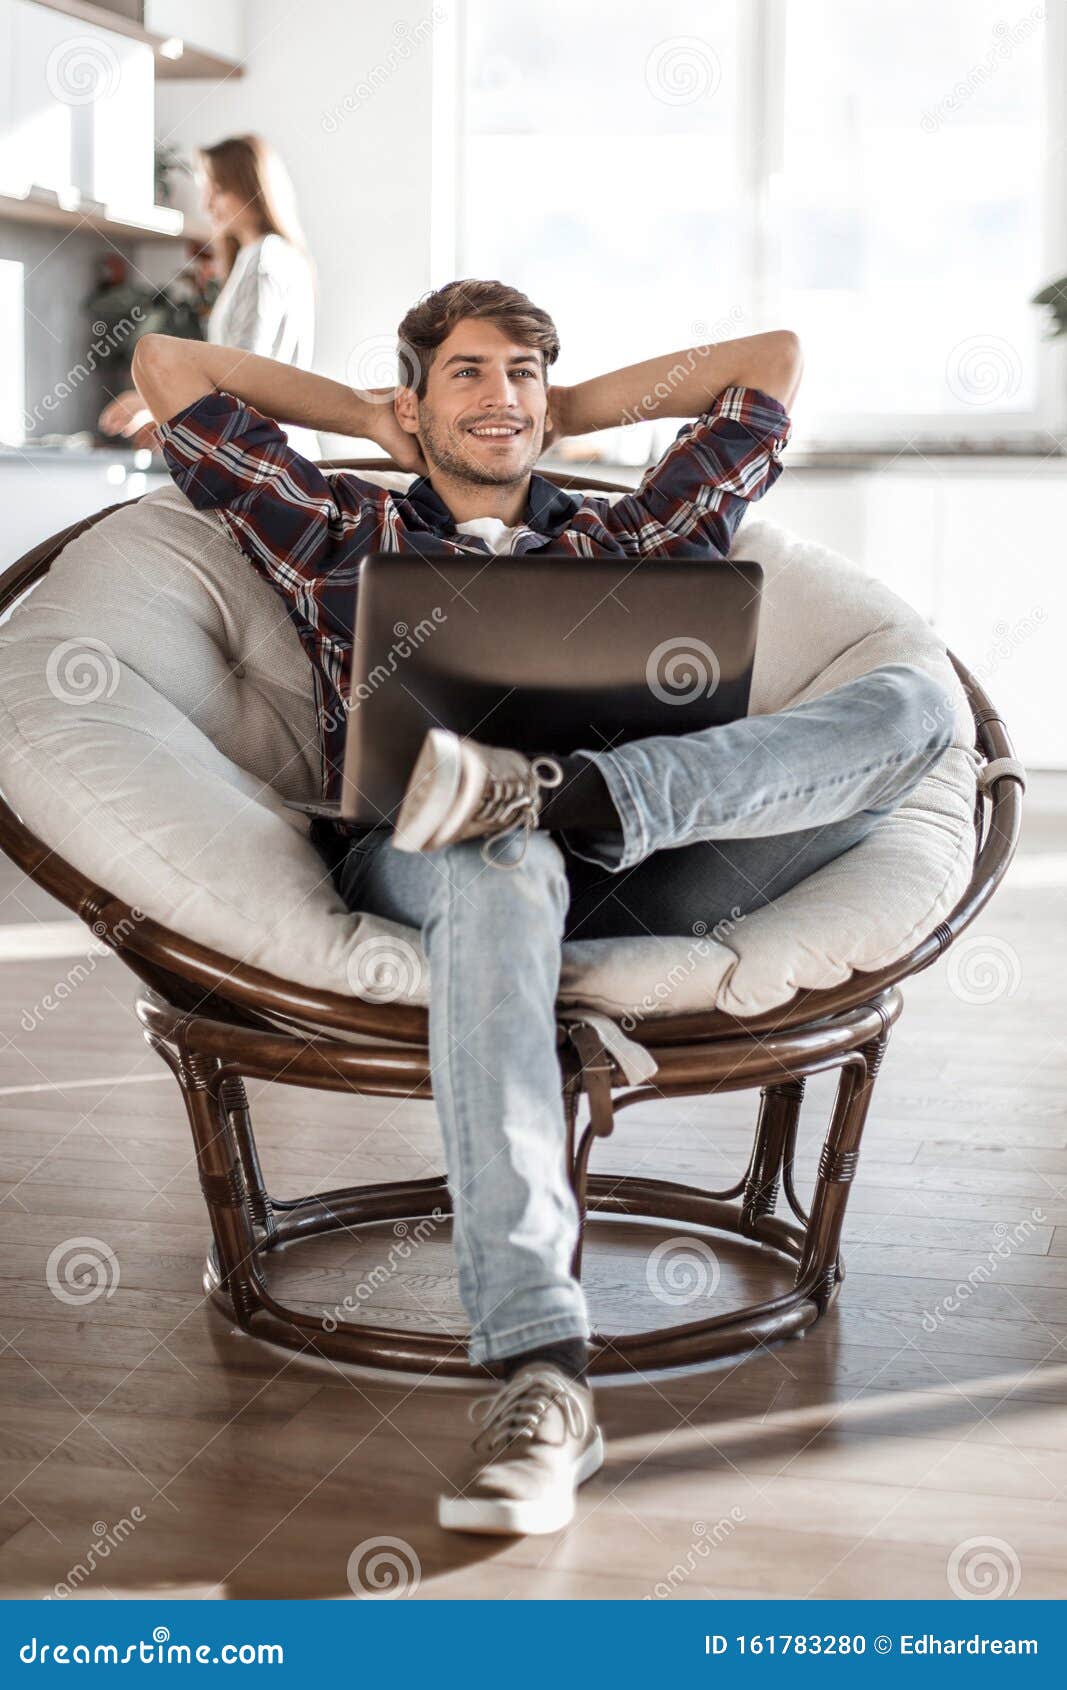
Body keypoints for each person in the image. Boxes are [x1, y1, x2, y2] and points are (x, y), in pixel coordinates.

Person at [129, 280, 953, 1540]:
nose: (500, 393)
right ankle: (540, 1374)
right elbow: (168, 361)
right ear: (415, 400)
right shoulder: (338, 530)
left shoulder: (632, 536)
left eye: (523, 372)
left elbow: (771, 362)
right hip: (432, 865)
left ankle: (570, 789)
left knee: (916, 707)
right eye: (467, 372)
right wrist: (369, 414)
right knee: (494, 851)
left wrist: (569, 408)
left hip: (637, 858)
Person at [100, 134, 317, 456]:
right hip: (270, 450)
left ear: (252, 189)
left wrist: (152, 399)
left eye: (219, 189)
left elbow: (244, 373)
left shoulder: (264, 259)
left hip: (266, 454)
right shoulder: (268, 256)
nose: (207, 204)